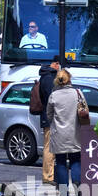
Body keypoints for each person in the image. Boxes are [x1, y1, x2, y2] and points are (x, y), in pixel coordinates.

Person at [43, 68, 85, 194]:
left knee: (60, 162)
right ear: (69, 79)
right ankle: (78, 186)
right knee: (76, 160)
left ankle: (63, 193)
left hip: (58, 134)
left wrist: (56, 123)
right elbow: (84, 110)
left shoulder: (53, 95)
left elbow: (49, 115)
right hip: (75, 133)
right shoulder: (77, 93)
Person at [34, 56, 61, 185]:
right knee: (49, 147)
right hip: (50, 117)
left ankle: (50, 175)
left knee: (50, 146)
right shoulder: (49, 78)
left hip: (48, 116)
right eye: (59, 65)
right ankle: (48, 176)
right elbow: (52, 98)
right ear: (56, 64)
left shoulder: (45, 76)